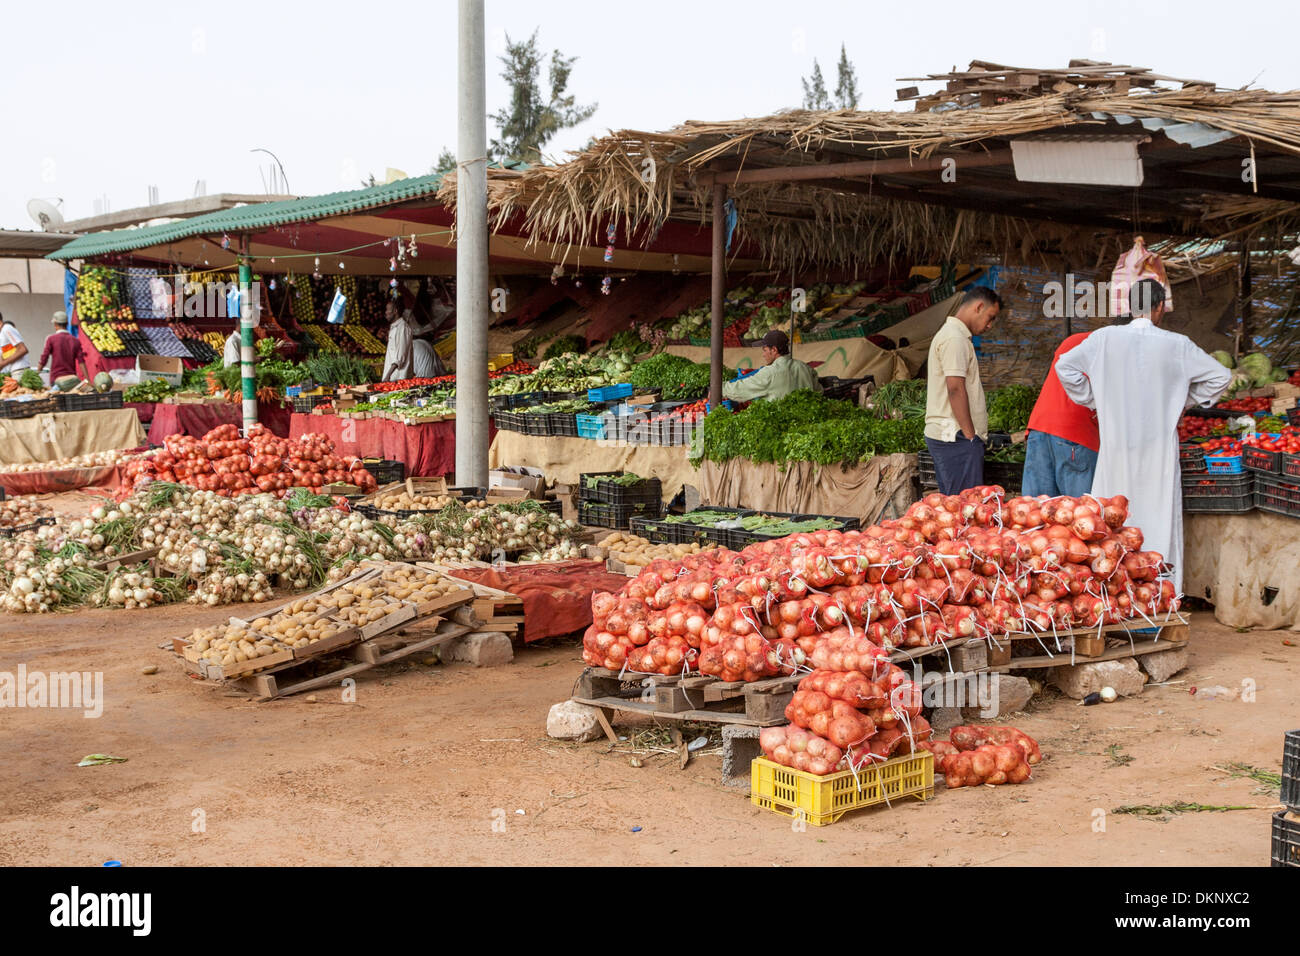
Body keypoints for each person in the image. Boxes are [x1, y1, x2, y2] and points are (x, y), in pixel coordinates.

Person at [1055, 278, 1231, 592]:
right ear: (1160, 307)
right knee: (1158, 517)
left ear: (1128, 306)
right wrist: (1183, 402)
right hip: (1158, 456)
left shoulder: (1104, 339)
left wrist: (1095, 399)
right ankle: (1159, 595)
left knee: (1109, 521)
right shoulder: (1177, 344)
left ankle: (1111, 591)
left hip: (1116, 451)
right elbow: (1221, 377)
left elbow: (1065, 367)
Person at [923, 286, 1002, 494]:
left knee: (958, 506)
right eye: (990, 317)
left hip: (954, 436)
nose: (990, 325)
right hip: (955, 437)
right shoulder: (954, 339)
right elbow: (955, 389)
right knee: (965, 508)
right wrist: (970, 437)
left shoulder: (956, 336)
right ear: (978, 307)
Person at [1021, 330, 1100, 497]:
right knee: (1077, 514)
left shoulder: (1074, 340)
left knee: (1036, 510)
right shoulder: (1108, 348)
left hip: (1039, 427)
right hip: (1077, 435)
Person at [722, 329, 821, 402]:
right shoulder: (804, 367)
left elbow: (740, 390)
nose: (763, 354)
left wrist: (719, 388)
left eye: (765, 350)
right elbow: (819, 391)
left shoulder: (769, 373)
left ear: (774, 350)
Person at [38, 311, 89, 383]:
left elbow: (44, 358)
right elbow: (81, 362)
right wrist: (88, 379)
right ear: (67, 324)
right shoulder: (75, 340)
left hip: (56, 379)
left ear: (55, 324)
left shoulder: (51, 339)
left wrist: (37, 373)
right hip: (71, 380)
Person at [0, 311, 32, 375]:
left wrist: (3, 364)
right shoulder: (1, 333)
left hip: (20, 370)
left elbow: (23, 350)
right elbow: (4, 355)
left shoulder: (7, 328)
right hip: (13, 372)